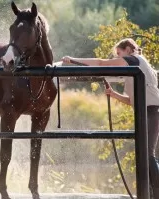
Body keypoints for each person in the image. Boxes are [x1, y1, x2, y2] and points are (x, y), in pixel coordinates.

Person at [61, 38, 159, 198]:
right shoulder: (138, 65)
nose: (118, 58)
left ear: (128, 49)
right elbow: (132, 100)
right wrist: (114, 94)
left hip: (150, 112)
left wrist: (73, 59)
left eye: (119, 54)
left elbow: (100, 63)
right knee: (145, 154)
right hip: (147, 111)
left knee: (147, 155)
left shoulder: (133, 59)